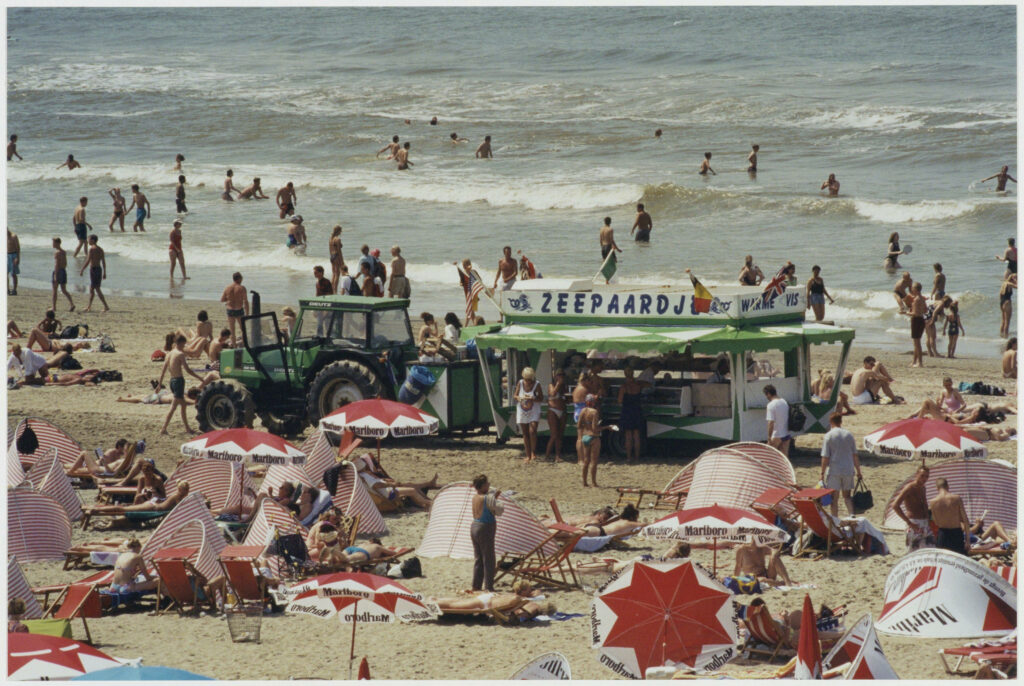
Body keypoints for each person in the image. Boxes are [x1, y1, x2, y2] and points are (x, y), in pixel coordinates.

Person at [353, 453, 437, 510]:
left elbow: (375, 483)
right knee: (412, 490)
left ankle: (425, 503)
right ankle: (430, 503)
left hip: (386, 491)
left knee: (409, 486)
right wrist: (391, 484)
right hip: (387, 493)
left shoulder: (363, 475)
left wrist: (385, 480)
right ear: (363, 467)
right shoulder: (365, 475)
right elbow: (376, 485)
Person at [158, 336, 205, 434]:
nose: (184, 346)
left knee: (183, 405)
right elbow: (187, 370)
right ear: (181, 343)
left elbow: (163, 370)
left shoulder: (169, 354)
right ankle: (163, 428)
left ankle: (187, 428)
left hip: (172, 380)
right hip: (178, 381)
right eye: (184, 344)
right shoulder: (180, 354)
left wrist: (159, 384)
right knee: (173, 407)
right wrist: (200, 378)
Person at [819, 413, 861, 518]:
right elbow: (854, 455)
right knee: (847, 496)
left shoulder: (828, 436)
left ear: (830, 422)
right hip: (848, 469)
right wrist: (859, 471)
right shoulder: (848, 434)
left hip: (834, 470)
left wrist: (822, 473)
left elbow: (825, 457)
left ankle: (835, 520)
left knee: (834, 499)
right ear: (841, 421)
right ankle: (852, 515)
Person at [470, 474, 500, 592]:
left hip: (474, 526)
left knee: (478, 558)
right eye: (487, 483)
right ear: (482, 485)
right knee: (489, 559)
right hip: (485, 527)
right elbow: (497, 510)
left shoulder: (475, 497)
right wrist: (495, 497)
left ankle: (476, 585)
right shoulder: (486, 498)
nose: (489, 485)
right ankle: (488, 587)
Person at [91, 481, 191, 515]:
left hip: (153, 505)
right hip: (152, 507)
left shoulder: (178, 496)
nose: (187, 491)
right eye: (185, 489)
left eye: (187, 489)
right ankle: (97, 509)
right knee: (123, 509)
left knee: (124, 508)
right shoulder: (177, 497)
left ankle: (99, 509)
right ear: (180, 489)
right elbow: (182, 507)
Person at [893, 465, 933, 550]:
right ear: (917, 474)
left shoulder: (923, 488)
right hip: (914, 521)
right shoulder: (910, 487)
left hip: (925, 523)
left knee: (928, 549)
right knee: (913, 550)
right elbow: (895, 505)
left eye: (927, 476)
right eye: (922, 476)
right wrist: (909, 523)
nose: (924, 479)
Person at [577, 394, 612, 488]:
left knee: (586, 461)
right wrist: (607, 427)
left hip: (585, 437)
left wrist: (586, 426)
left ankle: (584, 482)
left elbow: (579, 425)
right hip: (593, 437)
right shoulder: (594, 412)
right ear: (593, 402)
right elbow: (595, 428)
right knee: (594, 462)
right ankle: (593, 482)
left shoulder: (583, 411)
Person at [930, 478, 971, 556]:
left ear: (937, 488)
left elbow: (936, 521)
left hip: (942, 534)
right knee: (958, 561)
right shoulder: (956, 498)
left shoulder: (933, 502)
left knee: (943, 561)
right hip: (956, 533)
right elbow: (965, 520)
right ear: (948, 486)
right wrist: (967, 541)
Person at [617, 367, 649, 463]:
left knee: (628, 436)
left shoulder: (624, 387)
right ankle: (637, 457)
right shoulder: (638, 385)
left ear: (624, 374)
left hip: (627, 411)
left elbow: (619, 401)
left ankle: (628, 457)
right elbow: (649, 384)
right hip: (637, 411)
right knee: (637, 435)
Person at [514, 367, 543, 463]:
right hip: (522, 410)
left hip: (534, 409)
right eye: (527, 379)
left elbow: (541, 398)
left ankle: (533, 452)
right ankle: (528, 454)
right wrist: (519, 398)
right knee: (525, 433)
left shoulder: (537, 384)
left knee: (532, 430)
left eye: (529, 379)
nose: (528, 381)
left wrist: (532, 398)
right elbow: (515, 395)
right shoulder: (520, 383)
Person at [79, 235, 109, 313]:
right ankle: (89, 306)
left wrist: (82, 269)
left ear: (93, 240)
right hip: (99, 269)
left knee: (96, 289)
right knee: (92, 289)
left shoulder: (92, 249)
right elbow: (103, 261)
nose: (88, 241)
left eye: (89, 239)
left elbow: (88, 261)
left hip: (94, 270)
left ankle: (106, 306)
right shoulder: (100, 249)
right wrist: (104, 272)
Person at [221, 272, 248, 347]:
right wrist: (247, 313)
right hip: (239, 310)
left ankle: (234, 346)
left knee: (232, 330)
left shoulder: (228, 288)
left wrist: (230, 300)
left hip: (230, 310)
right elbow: (245, 301)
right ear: (239, 278)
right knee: (243, 329)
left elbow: (222, 299)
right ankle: (244, 344)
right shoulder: (242, 288)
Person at [48, 237, 75, 311]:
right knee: (64, 290)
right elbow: (65, 263)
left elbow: (56, 264)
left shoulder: (57, 253)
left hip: (58, 271)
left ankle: (54, 307)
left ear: (57, 243)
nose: (52, 244)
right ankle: (71, 303)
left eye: (53, 243)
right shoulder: (63, 252)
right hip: (63, 271)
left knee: (55, 290)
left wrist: (56, 275)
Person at [763, 384, 790, 456]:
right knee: (784, 458)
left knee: (769, 456)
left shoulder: (771, 405)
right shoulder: (784, 402)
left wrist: (769, 437)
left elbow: (770, 422)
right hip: (786, 433)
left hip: (776, 434)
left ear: (768, 394)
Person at [906, 282, 926, 367]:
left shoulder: (916, 299)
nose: (911, 290)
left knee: (917, 343)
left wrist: (906, 312)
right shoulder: (922, 299)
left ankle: (920, 362)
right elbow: (925, 310)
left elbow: (914, 313)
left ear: (916, 289)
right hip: (921, 319)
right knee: (916, 342)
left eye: (913, 288)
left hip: (916, 320)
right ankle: (914, 361)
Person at [999, 273, 1015, 338]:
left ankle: (1001, 336)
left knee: (1003, 321)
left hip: (1002, 302)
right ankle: (1005, 337)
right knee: (1007, 322)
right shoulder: (1009, 284)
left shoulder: (1004, 284)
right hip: (1007, 302)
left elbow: (1000, 295)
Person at [328, 225, 344, 292]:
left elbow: (330, 249)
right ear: (339, 231)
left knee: (334, 274)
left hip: (332, 256)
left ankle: (331, 289)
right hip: (337, 256)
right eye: (341, 231)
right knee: (337, 274)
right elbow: (339, 251)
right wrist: (342, 261)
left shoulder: (331, 239)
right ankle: (335, 290)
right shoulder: (337, 239)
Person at [7, 229, 19, 296]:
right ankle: (7, 289)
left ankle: (14, 289)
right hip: (6, 255)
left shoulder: (14, 236)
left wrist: (17, 258)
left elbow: (18, 248)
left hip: (13, 255)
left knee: (13, 274)